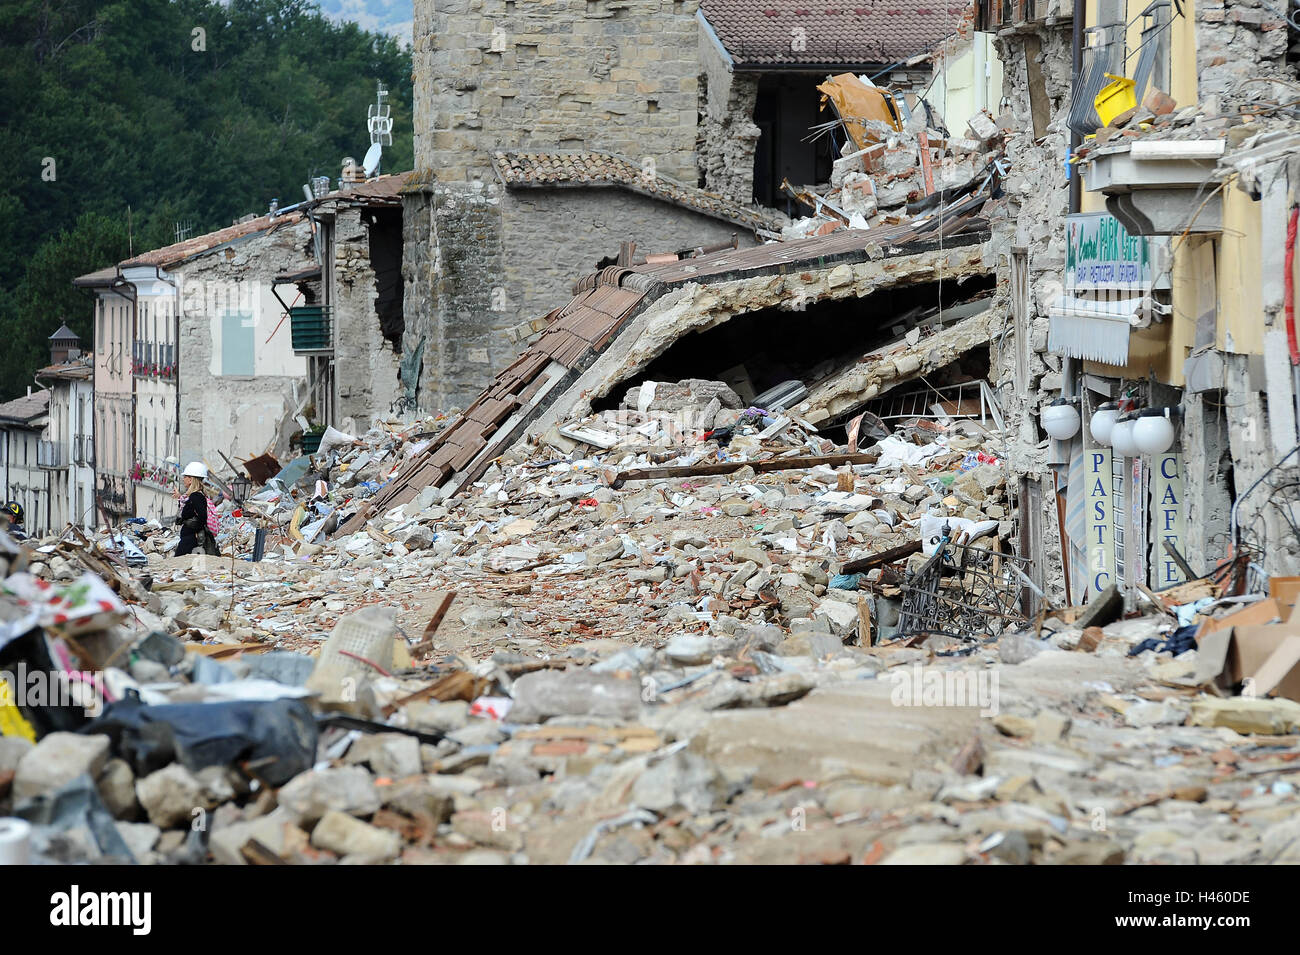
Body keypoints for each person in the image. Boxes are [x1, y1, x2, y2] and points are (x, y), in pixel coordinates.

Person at [174, 462, 216, 556]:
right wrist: (180, 498)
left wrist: (197, 531)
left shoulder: (196, 496)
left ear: (191, 479)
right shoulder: (195, 496)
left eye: (185, 477)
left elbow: (202, 516)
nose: (183, 479)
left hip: (191, 540)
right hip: (190, 538)